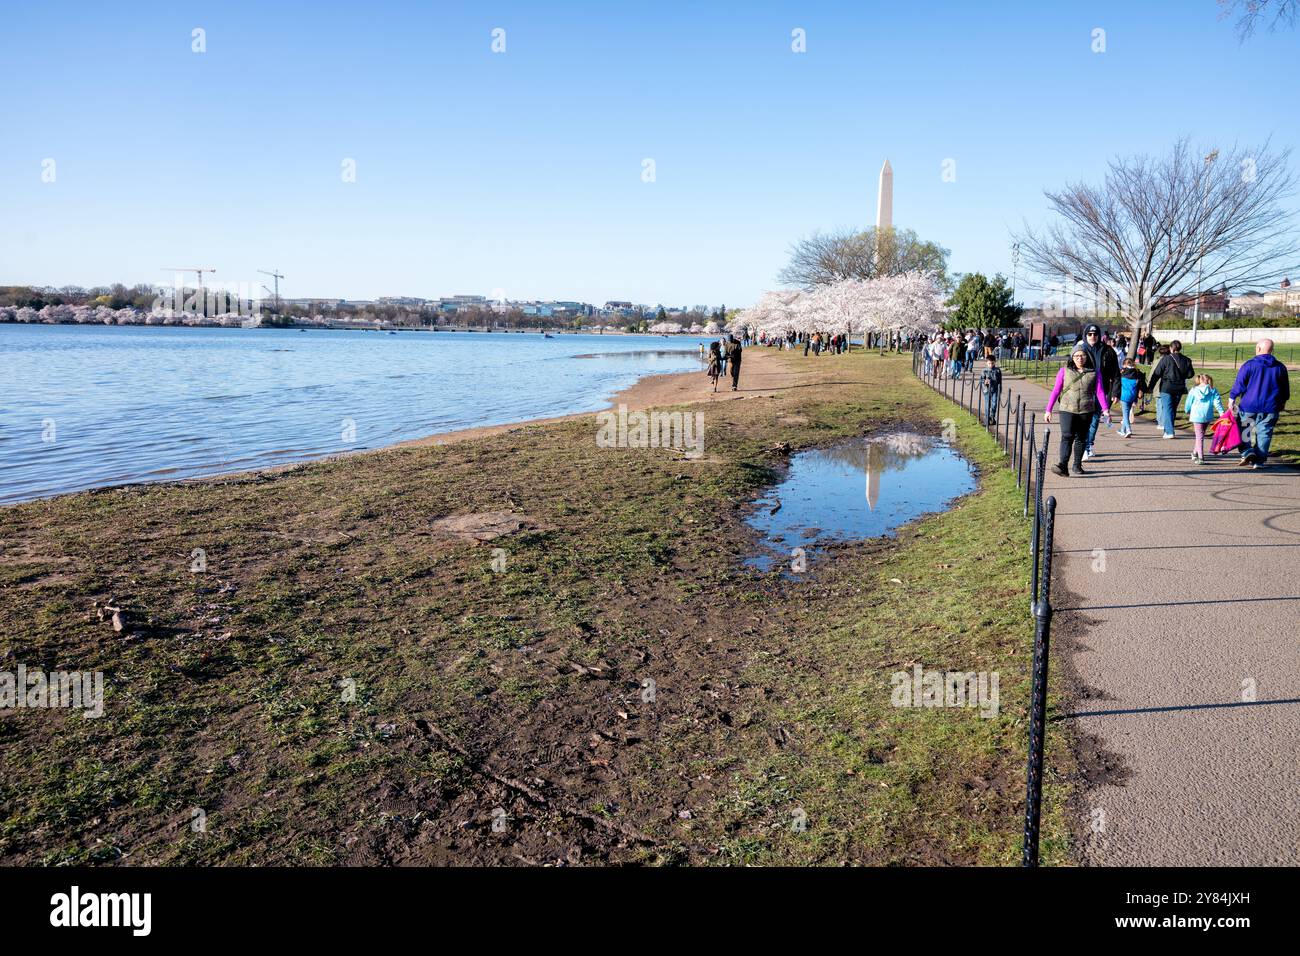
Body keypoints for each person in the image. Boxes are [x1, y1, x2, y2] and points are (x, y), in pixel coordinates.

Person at [1044, 346, 1111, 476]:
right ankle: (1063, 465)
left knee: (1081, 438)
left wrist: (1105, 409)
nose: (1079, 358)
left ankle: (1077, 465)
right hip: (1067, 409)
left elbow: (1100, 391)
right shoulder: (1064, 371)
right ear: (1072, 357)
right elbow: (1056, 390)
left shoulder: (1094, 372)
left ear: (1087, 357)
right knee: (1067, 435)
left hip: (1086, 410)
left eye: (1082, 355)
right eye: (1077, 356)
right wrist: (1048, 410)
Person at [1229, 338, 1290, 469]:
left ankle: (1247, 451)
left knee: (1245, 430)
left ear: (1258, 349)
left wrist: (1232, 398)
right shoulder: (1280, 367)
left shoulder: (1249, 365)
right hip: (1270, 407)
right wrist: (1283, 401)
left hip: (1249, 406)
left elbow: (1239, 383)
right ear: (1272, 350)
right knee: (1265, 433)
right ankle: (1259, 460)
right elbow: (1285, 388)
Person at [1077, 324, 1120, 460]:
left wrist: (1116, 392)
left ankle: (1088, 445)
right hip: (1083, 390)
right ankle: (1082, 444)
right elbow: (1069, 371)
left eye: (1095, 334)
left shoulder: (1108, 351)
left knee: (1094, 419)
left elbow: (1116, 373)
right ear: (1085, 335)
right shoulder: (1080, 350)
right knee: (1083, 419)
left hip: (1102, 390)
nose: (1092, 336)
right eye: (1089, 334)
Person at [1146, 339, 1195, 439]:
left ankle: (1169, 431)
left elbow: (1157, 373)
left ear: (1171, 348)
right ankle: (1169, 429)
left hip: (1167, 387)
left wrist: (1150, 386)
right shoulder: (1186, 360)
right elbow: (1191, 374)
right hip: (1179, 387)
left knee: (1168, 409)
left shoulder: (1166, 359)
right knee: (1172, 409)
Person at [1184, 374, 1225, 465]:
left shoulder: (1194, 390)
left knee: (1199, 436)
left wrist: (1187, 410)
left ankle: (1201, 457)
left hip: (1196, 415)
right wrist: (1222, 413)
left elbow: (1188, 402)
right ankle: (1195, 453)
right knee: (1200, 435)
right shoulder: (1213, 390)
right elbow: (1217, 403)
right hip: (1207, 415)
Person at [1117, 358, 1147, 438]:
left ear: (1124, 364)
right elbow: (1143, 385)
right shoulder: (1137, 373)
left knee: (1125, 414)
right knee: (1126, 413)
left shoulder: (1122, 373)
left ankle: (1128, 430)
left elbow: (1117, 384)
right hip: (1133, 395)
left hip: (1124, 395)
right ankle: (1122, 430)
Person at [980, 354, 1002, 426]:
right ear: (986, 363)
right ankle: (987, 419)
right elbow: (981, 380)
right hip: (987, 390)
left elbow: (999, 381)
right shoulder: (984, 371)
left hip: (995, 390)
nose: (991, 365)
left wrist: (1000, 390)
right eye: (989, 363)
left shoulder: (998, 370)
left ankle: (992, 417)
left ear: (994, 362)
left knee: (994, 404)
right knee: (987, 404)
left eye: (992, 363)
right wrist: (984, 382)